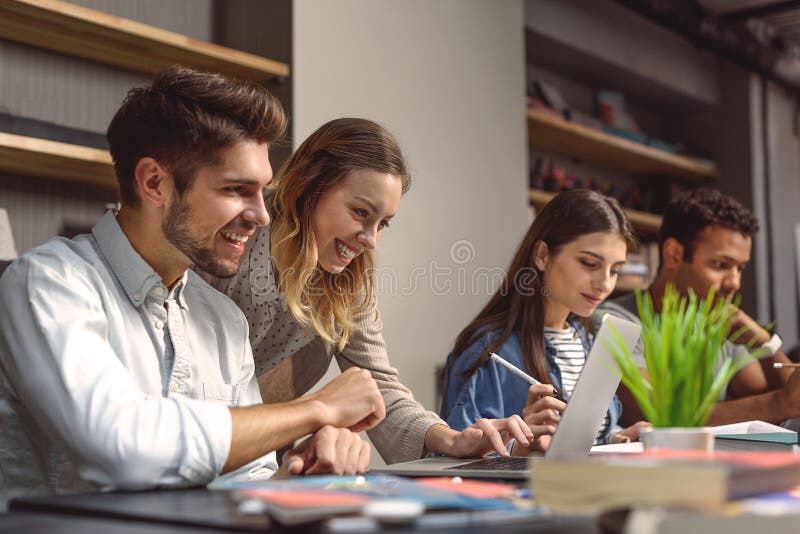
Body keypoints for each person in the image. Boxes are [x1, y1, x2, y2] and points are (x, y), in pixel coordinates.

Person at [0, 67, 384, 506]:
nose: (261, 215)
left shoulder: (224, 320)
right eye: (237, 189)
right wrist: (314, 411)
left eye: (261, 191)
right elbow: (118, 447)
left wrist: (302, 468)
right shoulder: (48, 283)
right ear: (154, 183)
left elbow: (249, 481)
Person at [203, 118, 535, 462]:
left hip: (257, 461)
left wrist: (452, 440)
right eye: (361, 212)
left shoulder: (350, 280)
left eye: (382, 223)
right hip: (198, 444)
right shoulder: (234, 237)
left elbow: (378, 385)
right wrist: (317, 411)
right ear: (308, 186)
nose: (371, 239)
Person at [439, 189, 648, 453]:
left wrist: (618, 438)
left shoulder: (588, 341)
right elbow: (451, 455)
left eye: (615, 270)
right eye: (589, 263)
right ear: (542, 255)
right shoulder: (488, 351)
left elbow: (585, 442)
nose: (605, 283)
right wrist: (523, 447)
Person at [596, 188, 800, 426]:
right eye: (721, 264)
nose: (734, 282)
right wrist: (777, 404)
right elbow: (657, 417)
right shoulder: (615, 321)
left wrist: (764, 342)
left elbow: (791, 399)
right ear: (673, 254)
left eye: (740, 268)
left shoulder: (720, 326)